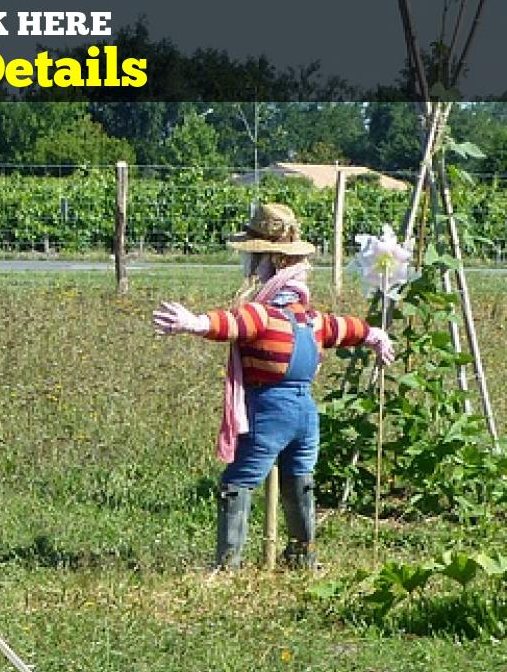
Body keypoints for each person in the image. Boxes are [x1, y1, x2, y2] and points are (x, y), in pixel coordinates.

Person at [153, 202, 394, 569]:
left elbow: (230, 324)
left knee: (240, 479)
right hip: (305, 414)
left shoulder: (261, 313)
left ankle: (228, 563)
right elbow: (345, 328)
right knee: (300, 479)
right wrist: (375, 335)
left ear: (265, 261)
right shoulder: (310, 318)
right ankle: (303, 558)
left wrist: (194, 322)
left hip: (269, 410)